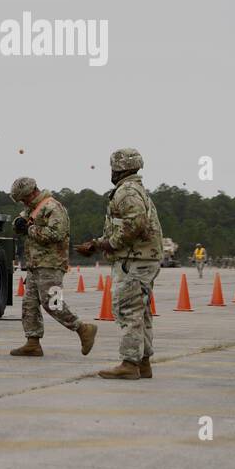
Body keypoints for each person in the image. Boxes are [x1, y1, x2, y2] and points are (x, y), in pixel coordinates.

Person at [76, 148, 164, 380]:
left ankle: (129, 363)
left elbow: (134, 224)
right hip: (143, 258)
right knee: (141, 311)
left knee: (128, 309)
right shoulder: (135, 189)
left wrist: (107, 244)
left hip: (135, 259)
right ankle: (142, 362)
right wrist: (99, 244)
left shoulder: (126, 192)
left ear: (118, 168)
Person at [8, 177, 97, 359]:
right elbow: (22, 223)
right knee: (29, 305)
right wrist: (19, 223)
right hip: (35, 265)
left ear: (32, 193)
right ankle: (33, 343)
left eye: (24, 198)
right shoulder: (33, 208)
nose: (23, 203)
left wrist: (29, 229)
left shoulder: (53, 207)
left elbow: (56, 234)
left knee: (52, 302)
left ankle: (83, 329)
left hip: (51, 264)